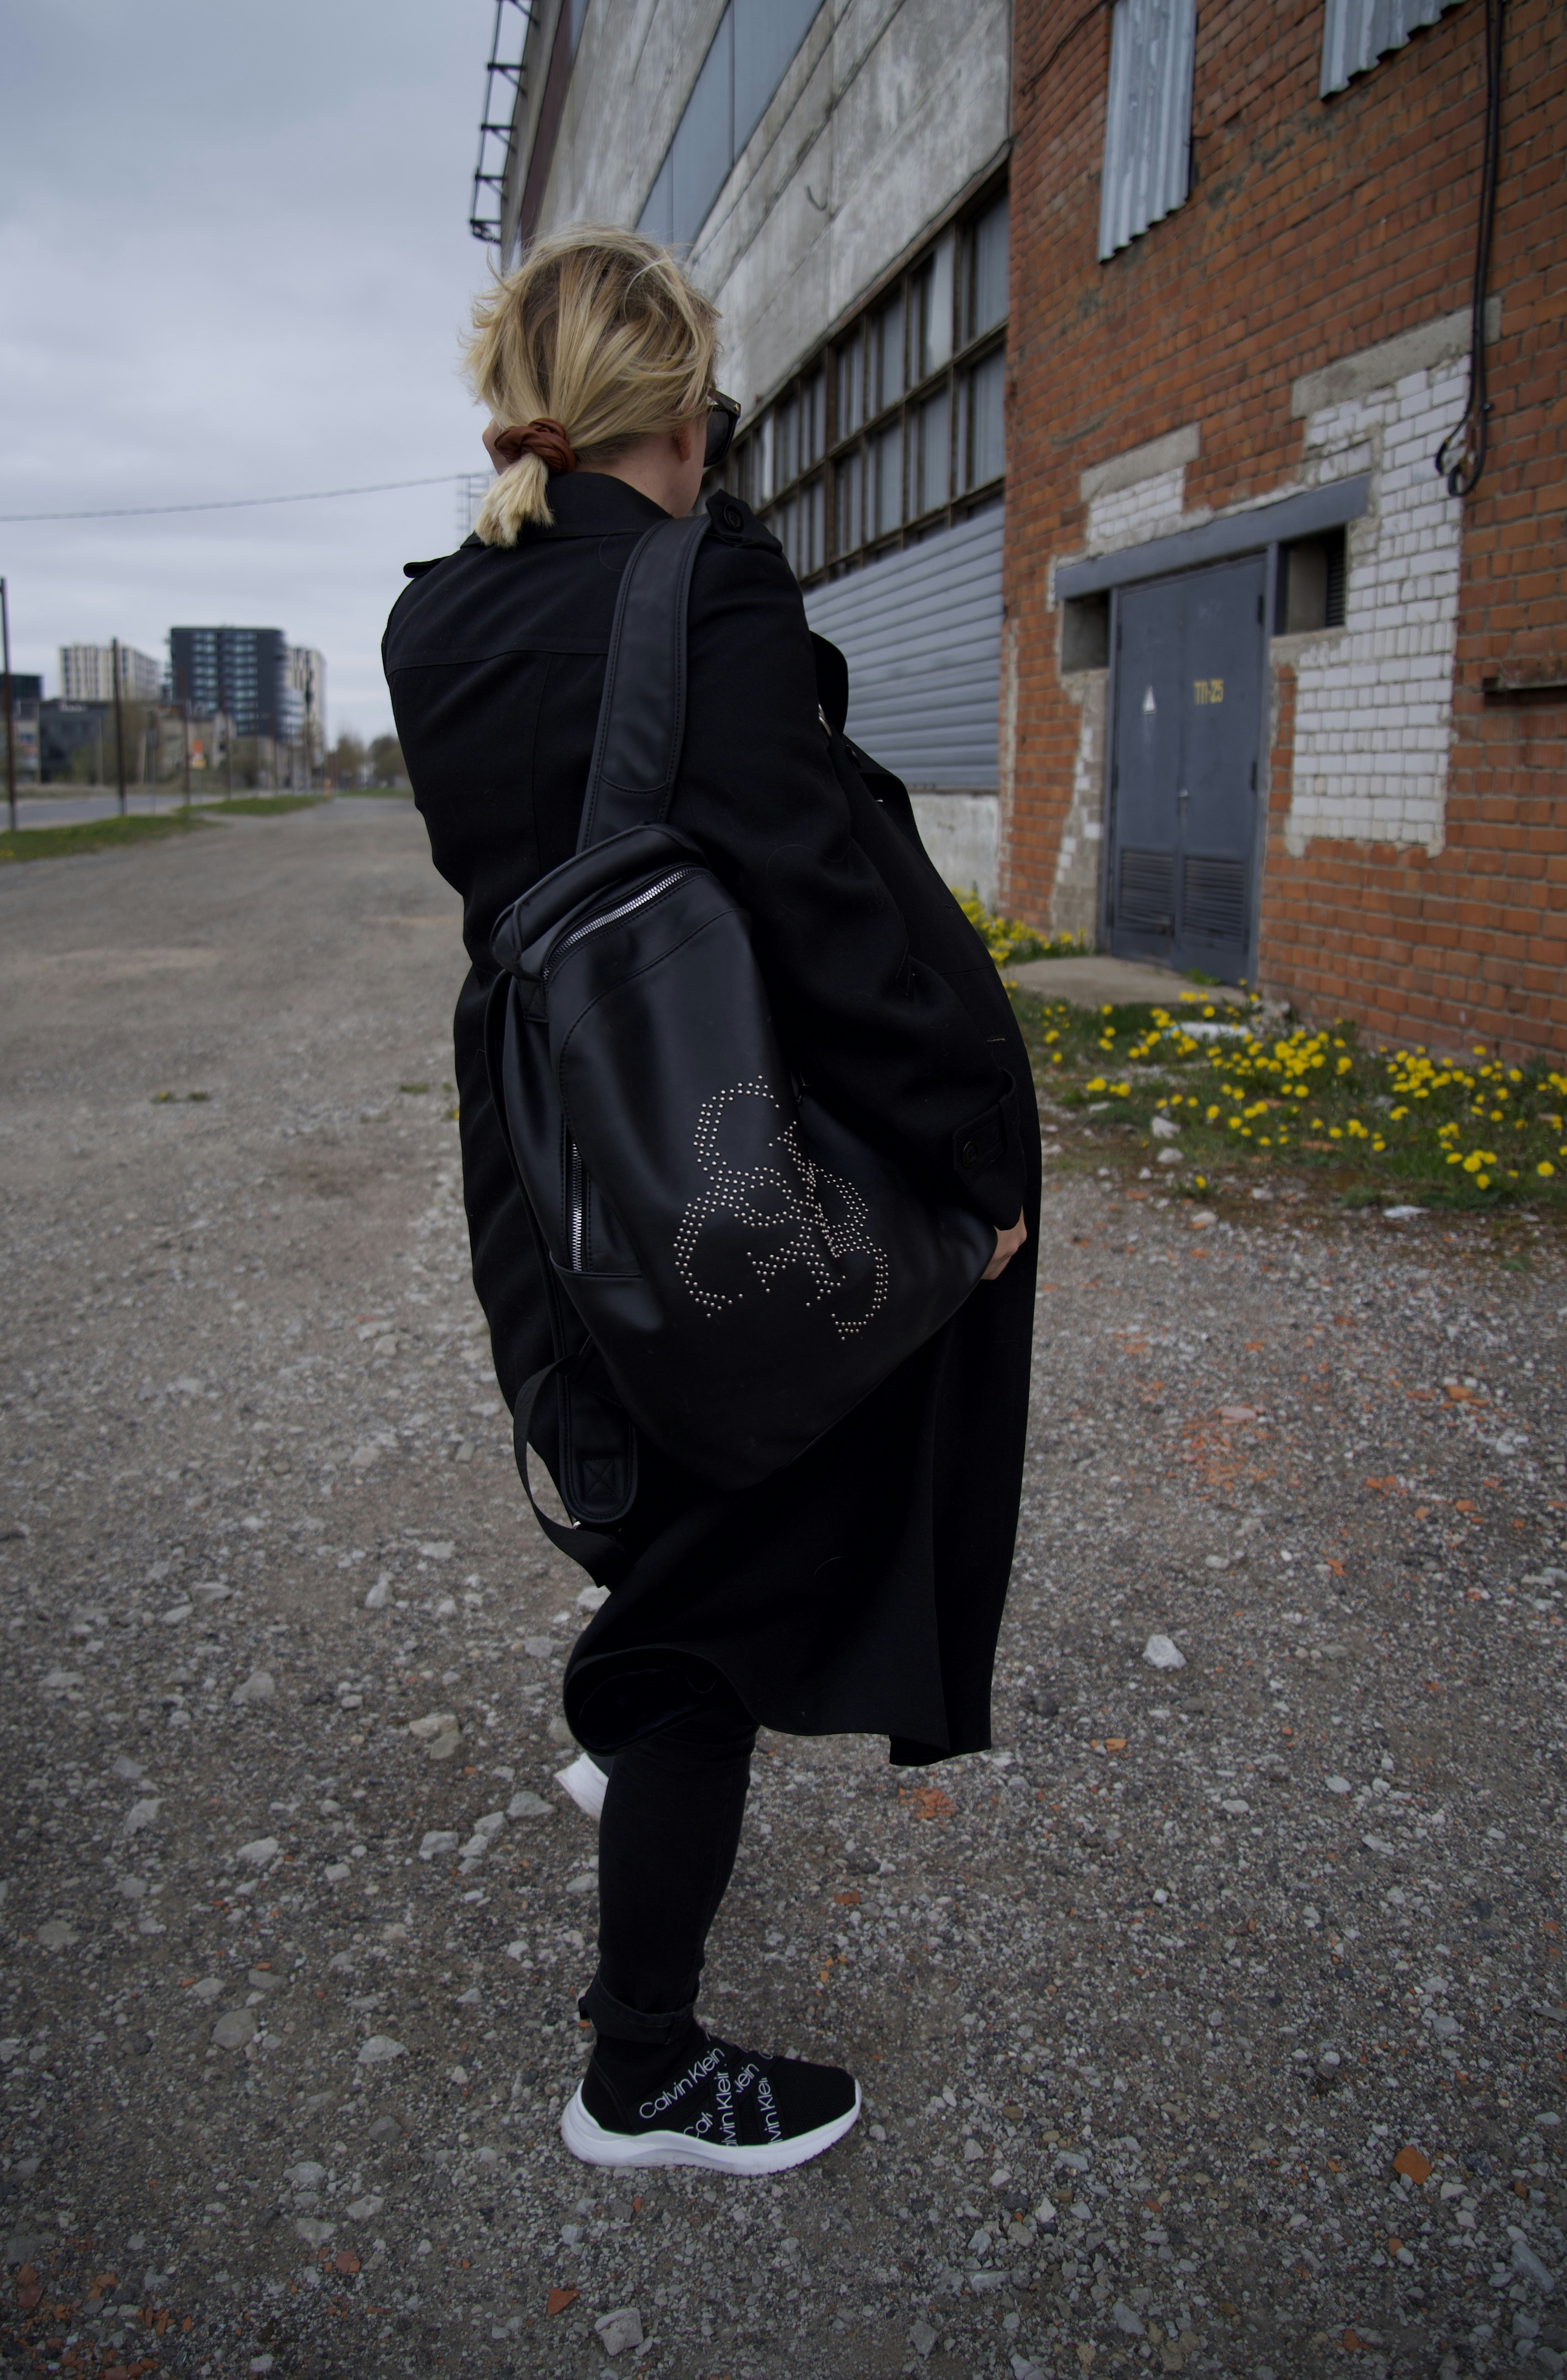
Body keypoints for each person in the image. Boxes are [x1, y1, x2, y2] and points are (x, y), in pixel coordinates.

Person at [382, 227, 1036, 2177]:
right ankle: (639, 2067)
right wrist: (958, 1165)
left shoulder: (439, 619)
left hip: (553, 1147)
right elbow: (818, 902)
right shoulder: (700, 582)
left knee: (651, 1457)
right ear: (674, 412)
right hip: (725, 1147)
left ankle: (639, 1710)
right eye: (716, 418)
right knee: (714, 1582)